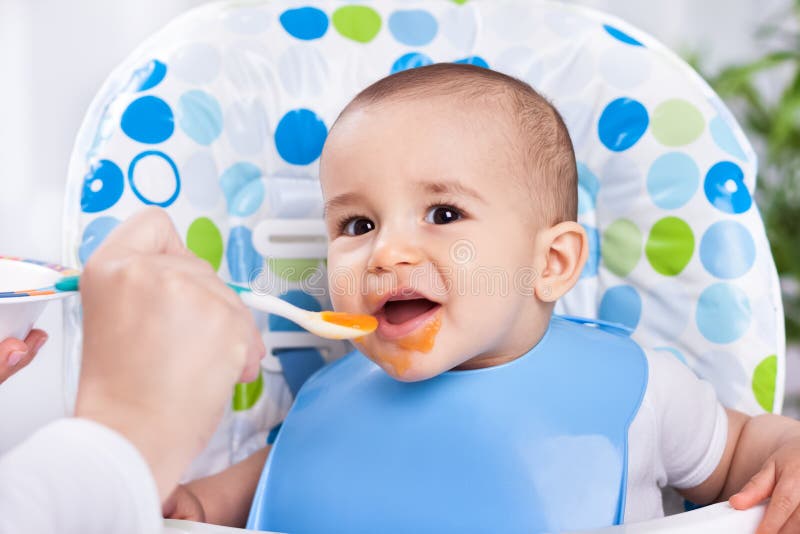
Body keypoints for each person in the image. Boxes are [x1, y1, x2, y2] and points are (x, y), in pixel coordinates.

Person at [168, 64, 799, 533]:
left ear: (550, 263)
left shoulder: (642, 388)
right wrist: (190, 507)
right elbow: (274, 476)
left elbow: (740, 451)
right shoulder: (328, 395)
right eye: (357, 226)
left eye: (443, 213)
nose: (387, 253)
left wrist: (788, 453)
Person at [0, 207, 265, 534]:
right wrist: (200, 505)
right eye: (348, 227)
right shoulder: (318, 398)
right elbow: (280, 472)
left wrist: (125, 440)